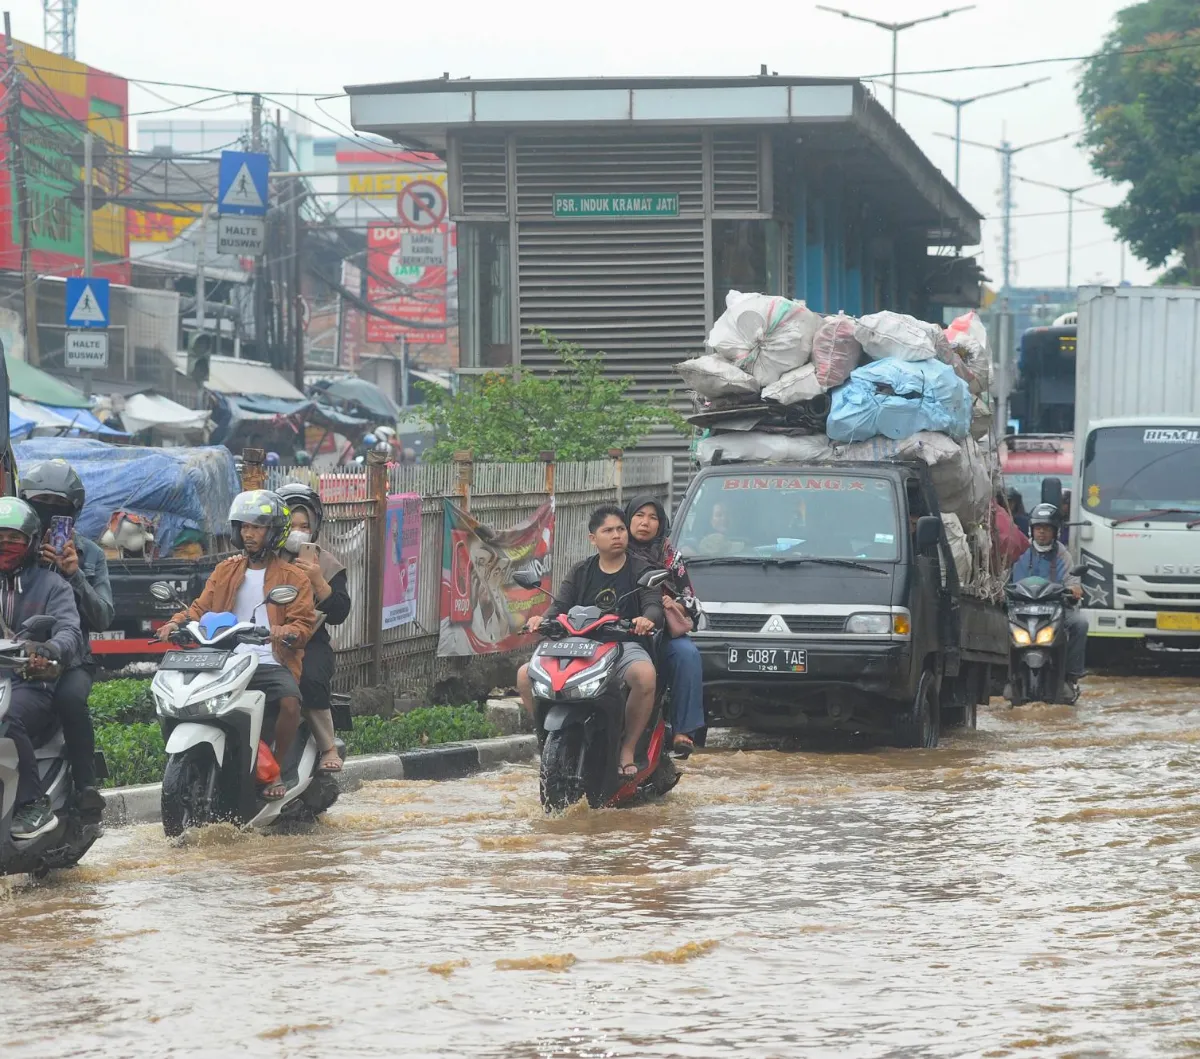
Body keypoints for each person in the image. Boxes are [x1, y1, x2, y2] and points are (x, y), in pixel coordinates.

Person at [155, 490, 317, 799]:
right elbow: (199, 608)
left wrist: (285, 632)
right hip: (224, 658)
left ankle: (277, 769)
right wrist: (176, 622)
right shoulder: (225, 570)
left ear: (273, 532)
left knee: (290, 703)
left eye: (256, 527)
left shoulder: (294, 577)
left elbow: (303, 624)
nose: (249, 533)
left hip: (268, 658)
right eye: (244, 527)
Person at [517, 504, 664, 779]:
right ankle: (546, 741)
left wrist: (645, 620)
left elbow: (653, 605)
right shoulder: (580, 571)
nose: (617, 535)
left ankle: (627, 749)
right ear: (593, 538)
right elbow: (558, 606)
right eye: (608, 530)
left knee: (645, 676)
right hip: (577, 646)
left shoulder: (642, 570)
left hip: (622, 645)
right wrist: (541, 620)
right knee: (525, 676)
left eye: (621, 529)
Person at [19, 459, 114, 816]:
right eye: (42, 506)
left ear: (73, 513)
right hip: (17, 656)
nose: (48, 516)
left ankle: (87, 785)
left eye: (59, 509)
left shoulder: (89, 554)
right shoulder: (14, 548)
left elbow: (103, 617)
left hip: (71, 659)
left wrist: (74, 574)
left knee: (71, 701)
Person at [0, 497, 85, 839]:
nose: (5, 546)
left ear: (33, 542)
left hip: (30, 682)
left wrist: (49, 648)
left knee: (7, 717)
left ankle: (33, 803)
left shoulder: (53, 586)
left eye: (14, 539)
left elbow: (69, 630)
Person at [277, 483, 351, 774]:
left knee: (308, 679)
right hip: (267, 640)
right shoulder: (265, 561)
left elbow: (339, 613)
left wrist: (319, 581)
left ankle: (327, 746)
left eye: (304, 525)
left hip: (310, 642)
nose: (298, 531)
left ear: (314, 527)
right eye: (291, 525)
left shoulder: (328, 564)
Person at [625, 495, 705, 757]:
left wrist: (674, 605)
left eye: (653, 517)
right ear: (627, 519)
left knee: (687, 654)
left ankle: (683, 731)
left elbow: (692, 601)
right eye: (639, 515)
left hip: (663, 634)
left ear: (661, 524)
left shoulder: (671, 557)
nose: (645, 523)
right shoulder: (615, 551)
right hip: (620, 631)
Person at [1011, 502, 1088, 695]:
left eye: (1046, 529)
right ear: (1032, 530)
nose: (1042, 533)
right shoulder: (1020, 550)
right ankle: (1004, 674)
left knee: (1080, 623)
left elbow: (1073, 580)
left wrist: (1074, 589)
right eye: (1038, 528)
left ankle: (1071, 676)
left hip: (1056, 609)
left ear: (1055, 531)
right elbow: (1004, 575)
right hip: (1020, 609)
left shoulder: (1063, 554)